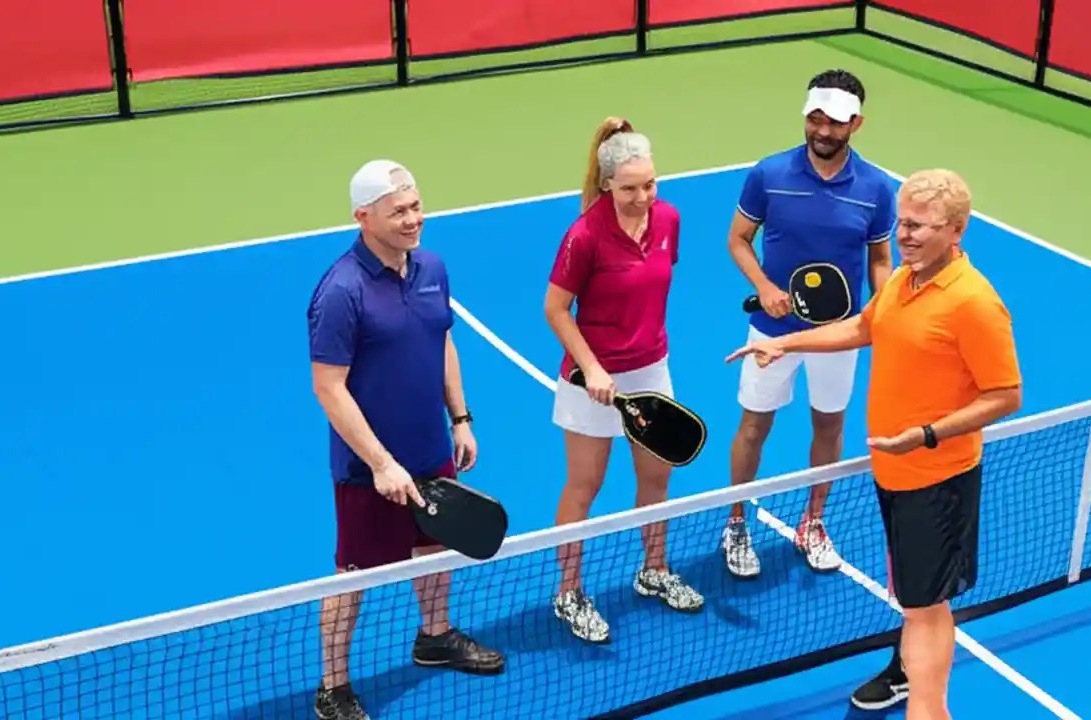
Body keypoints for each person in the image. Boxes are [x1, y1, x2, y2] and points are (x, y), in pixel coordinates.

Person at [727, 169, 1023, 719]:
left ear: (956, 230)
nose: (905, 234)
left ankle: (929, 710)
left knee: (926, 609)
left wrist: (928, 435)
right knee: (918, 603)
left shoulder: (974, 303)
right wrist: (786, 342)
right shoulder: (902, 283)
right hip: (894, 472)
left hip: (937, 478)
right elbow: (863, 327)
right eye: (903, 222)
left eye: (920, 226)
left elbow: (1006, 394)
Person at [308, 159, 505, 720]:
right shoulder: (341, 290)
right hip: (367, 467)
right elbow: (328, 387)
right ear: (363, 217)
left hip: (429, 448)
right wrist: (379, 463)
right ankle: (333, 687)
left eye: (416, 207)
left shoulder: (433, 269)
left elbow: (442, 342)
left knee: (434, 544)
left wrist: (461, 418)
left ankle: (435, 637)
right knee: (355, 573)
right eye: (399, 212)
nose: (413, 219)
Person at [721, 68, 896, 580]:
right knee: (755, 425)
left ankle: (813, 521)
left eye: (835, 122)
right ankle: (736, 521)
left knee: (829, 424)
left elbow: (880, 259)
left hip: (837, 334)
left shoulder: (875, 188)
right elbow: (737, 239)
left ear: (856, 123)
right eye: (815, 118)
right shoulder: (769, 174)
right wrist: (767, 288)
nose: (823, 130)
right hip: (773, 331)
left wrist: (886, 308)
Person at [544, 117, 704, 644]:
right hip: (590, 377)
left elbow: (653, 289)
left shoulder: (669, 220)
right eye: (631, 188)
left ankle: (654, 570)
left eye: (650, 185)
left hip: (651, 369)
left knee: (656, 480)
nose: (642, 197)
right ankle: (569, 592)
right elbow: (556, 309)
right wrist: (592, 366)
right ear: (608, 183)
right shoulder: (584, 234)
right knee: (585, 486)